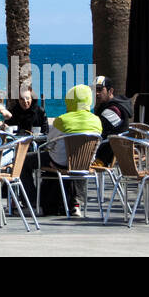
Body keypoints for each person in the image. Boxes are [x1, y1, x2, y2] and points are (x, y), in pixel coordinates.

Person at [41, 83, 102, 217]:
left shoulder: (62, 120)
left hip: (60, 163)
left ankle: (32, 202)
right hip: (85, 163)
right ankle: (76, 203)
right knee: (78, 162)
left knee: (27, 161)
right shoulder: (96, 121)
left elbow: (49, 144)